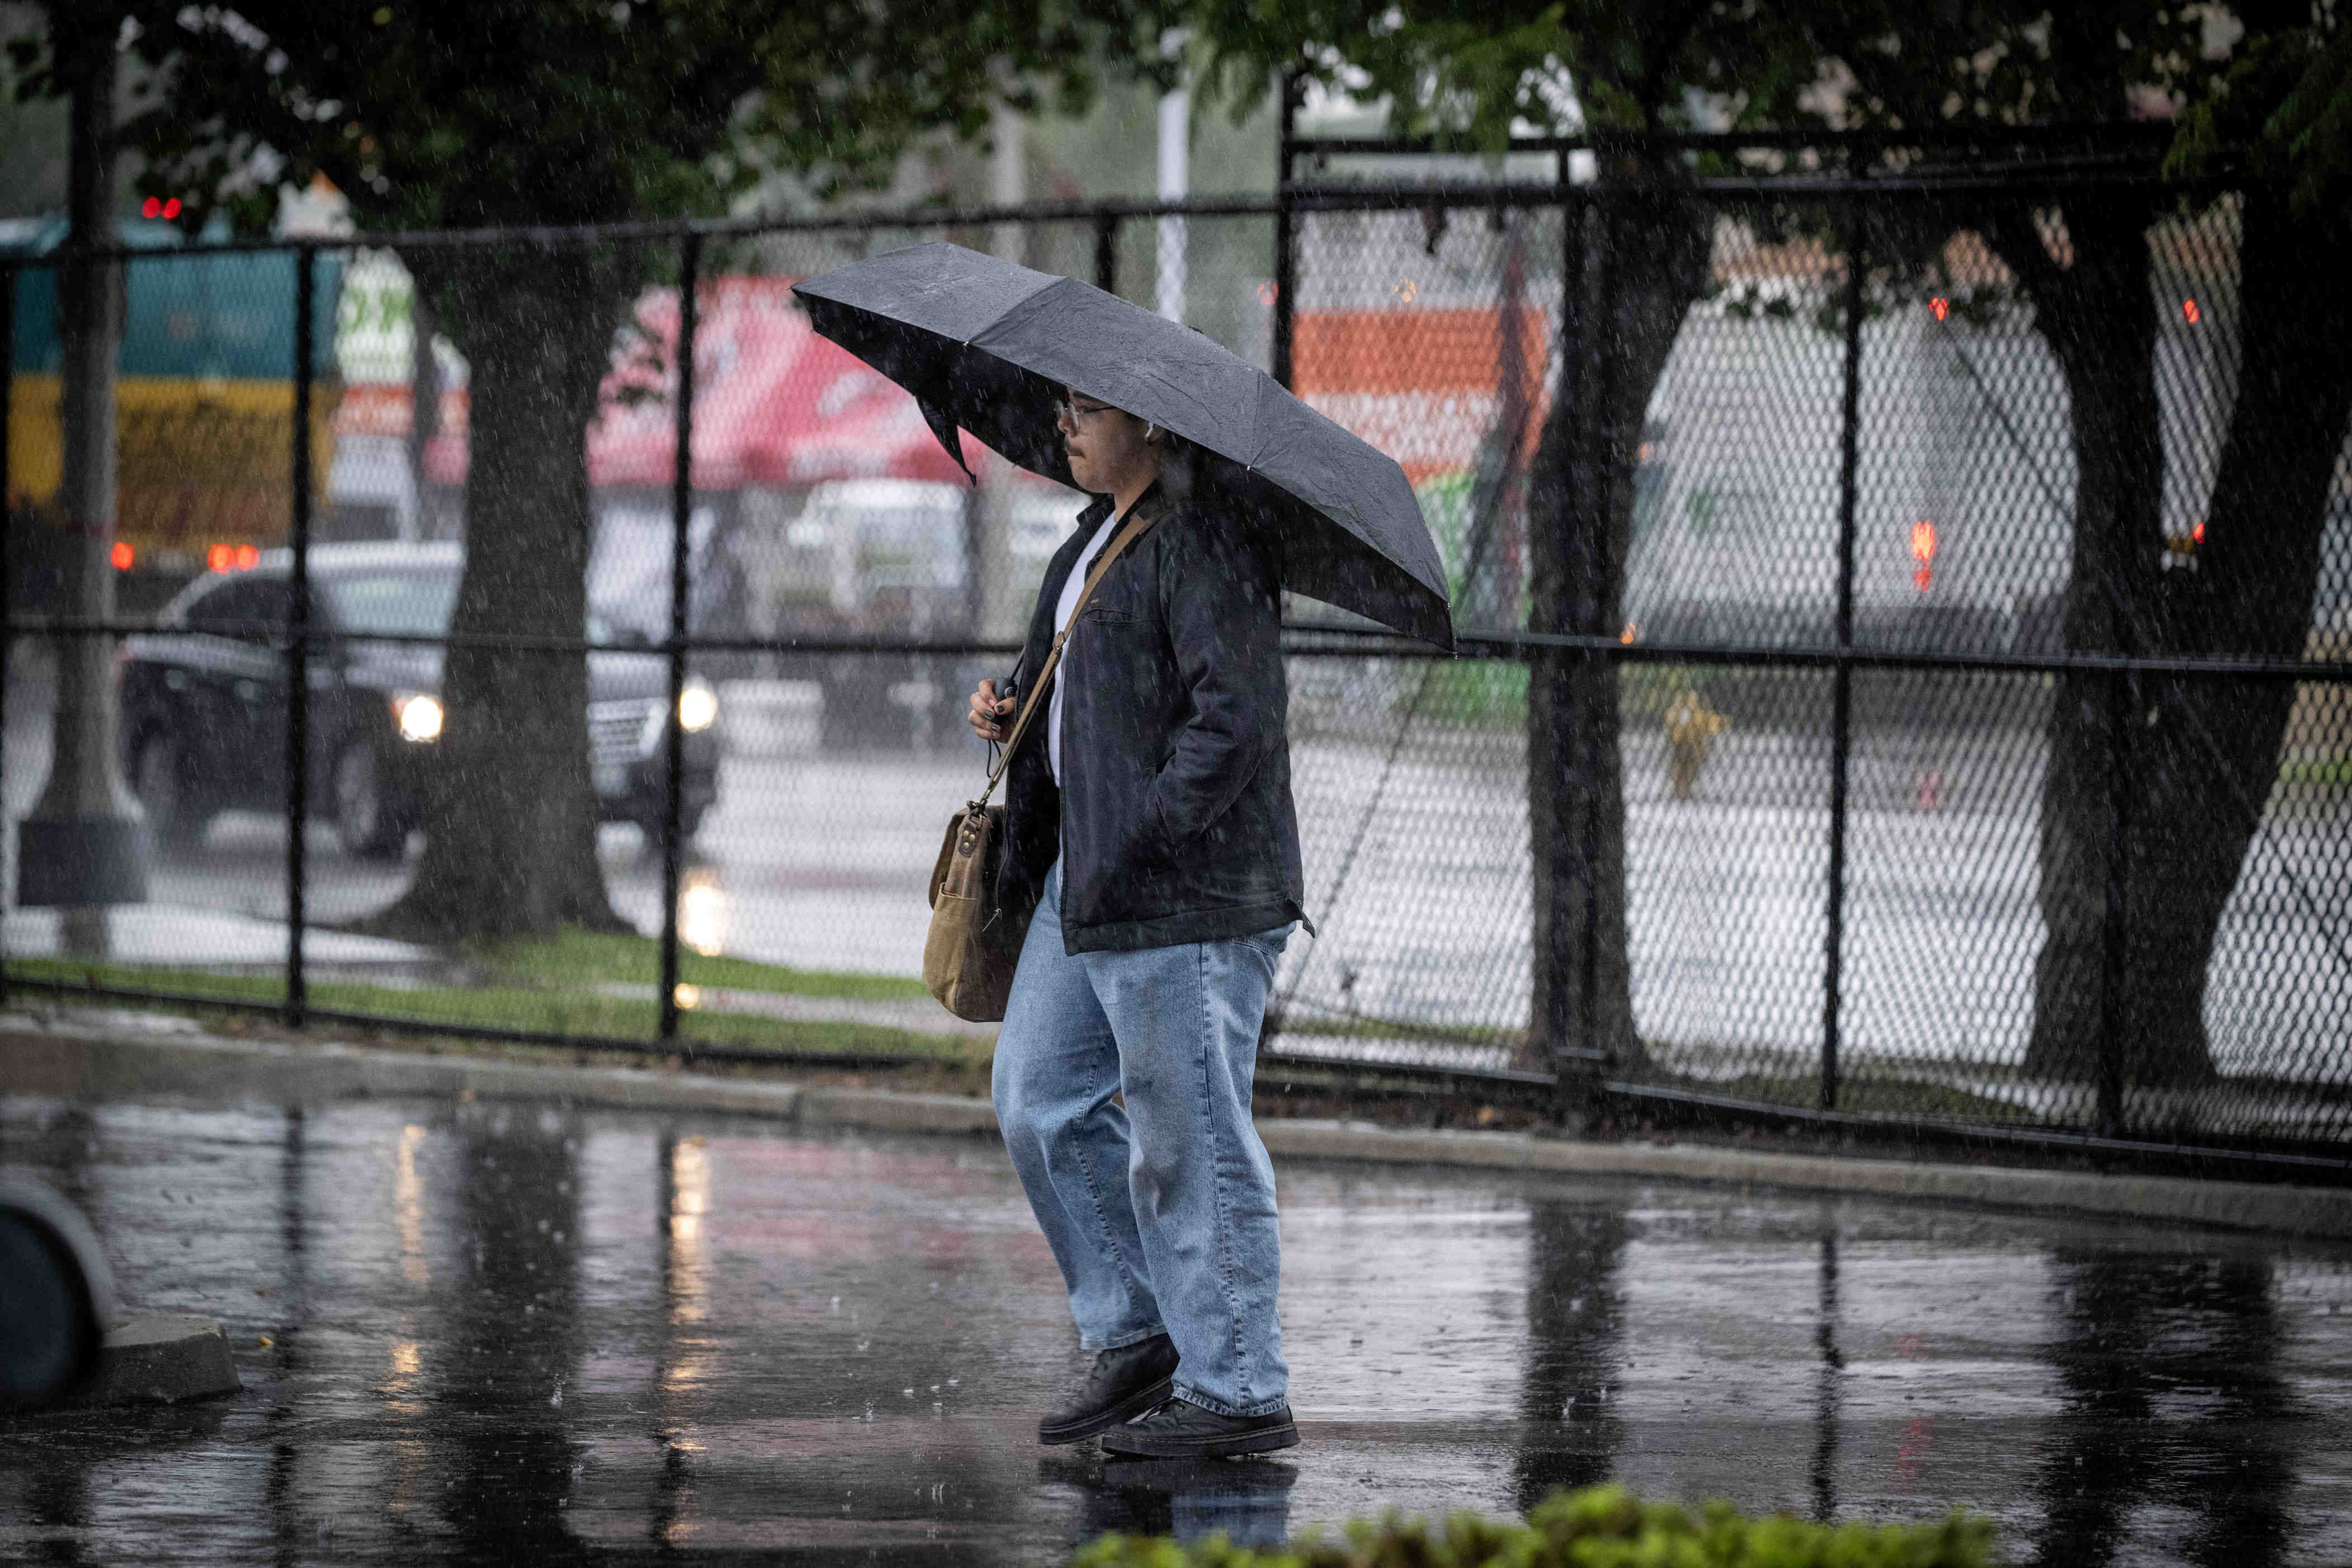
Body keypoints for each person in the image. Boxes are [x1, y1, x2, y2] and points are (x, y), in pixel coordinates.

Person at [966, 386, 1308, 1460]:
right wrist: (1014, 702)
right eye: (1060, 408)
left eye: (1082, 411)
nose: (1061, 427)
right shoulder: (1091, 541)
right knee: (1036, 1097)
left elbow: (1239, 715)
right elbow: (1091, 697)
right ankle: (1136, 1331)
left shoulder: (1203, 539)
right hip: (1096, 877)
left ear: (1154, 424)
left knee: (1191, 1139)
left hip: (1185, 892)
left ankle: (1240, 1388)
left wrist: (1148, 824)